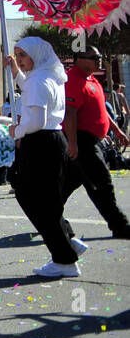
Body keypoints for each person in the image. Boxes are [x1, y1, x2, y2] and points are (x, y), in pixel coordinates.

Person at [6, 37, 84, 276]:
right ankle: (68, 242)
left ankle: (64, 259)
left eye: (23, 55)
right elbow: (31, 89)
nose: (20, 59)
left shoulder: (38, 81)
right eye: (17, 55)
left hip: (40, 141)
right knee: (45, 200)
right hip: (52, 141)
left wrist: (16, 131)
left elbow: (36, 120)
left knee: (34, 199)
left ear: (36, 56)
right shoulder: (50, 75)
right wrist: (16, 71)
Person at [53, 46, 130, 240]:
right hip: (82, 141)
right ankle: (120, 226)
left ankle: (48, 217)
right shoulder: (73, 79)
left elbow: (101, 110)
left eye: (100, 57)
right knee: (102, 184)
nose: (99, 61)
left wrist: (117, 130)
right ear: (79, 59)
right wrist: (72, 143)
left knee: (67, 185)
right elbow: (70, 114)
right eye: (95, 57)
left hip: (91, 140)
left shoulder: (92, 78)